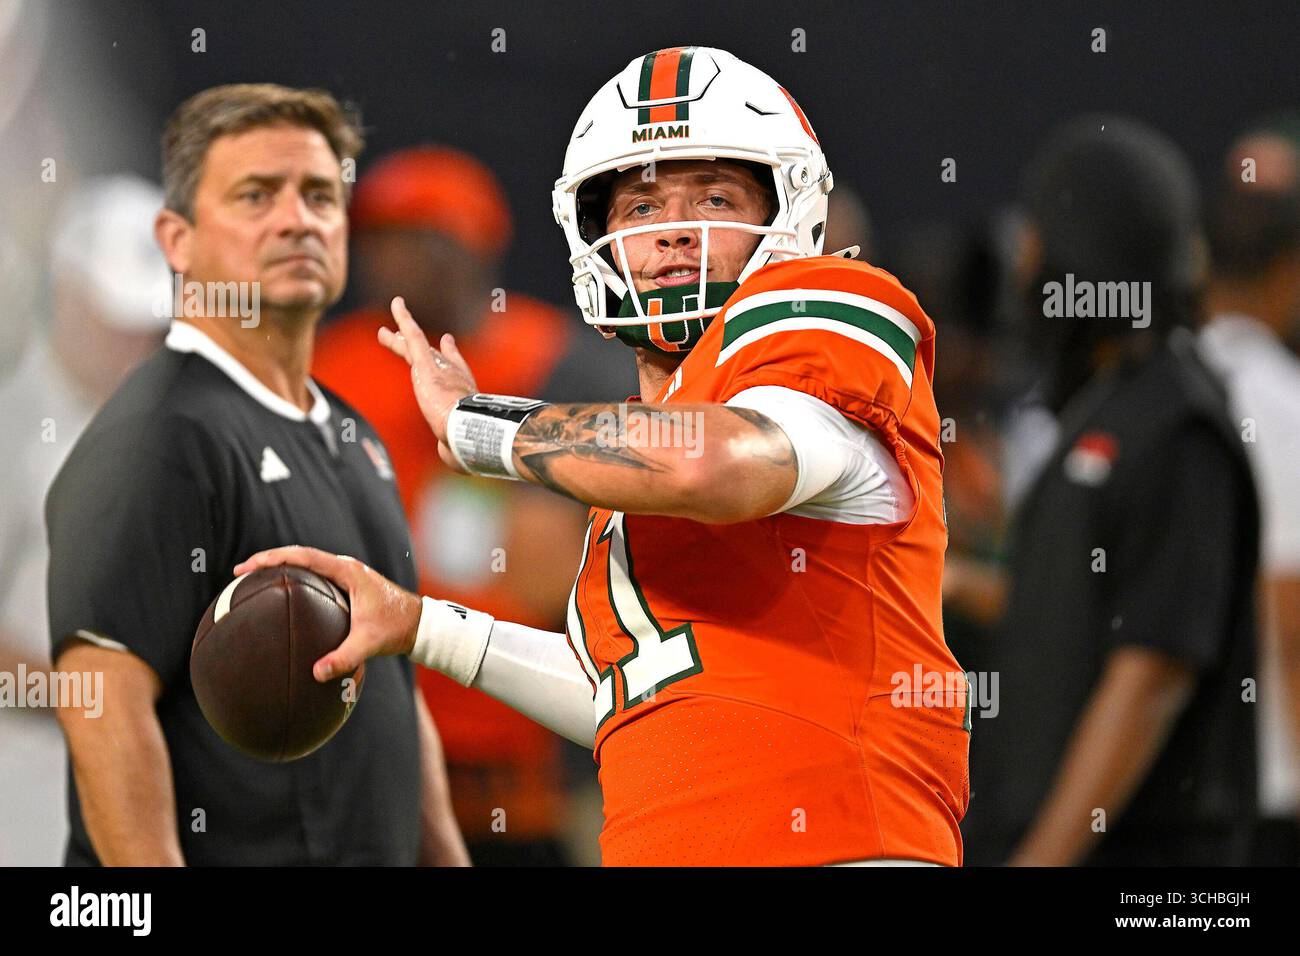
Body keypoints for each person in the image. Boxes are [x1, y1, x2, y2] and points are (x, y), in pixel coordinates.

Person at [239, 47, 968, 866]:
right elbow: (628, 697)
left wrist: (478, 425)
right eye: (642, 207)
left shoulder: (827, 315)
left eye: (716, 198)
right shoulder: (625, 457)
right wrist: (418, 624)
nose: (675, 234)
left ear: (790, 213)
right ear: (600, 239)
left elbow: (716, 464)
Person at [45, 84, 466, 866]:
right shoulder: (157, 437)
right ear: (177, 239)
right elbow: (103, 704)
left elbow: (395, 698)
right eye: (255, 195)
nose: (296, 219)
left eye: (318, 195)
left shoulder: (354, 432)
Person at [963, 116, 1260, 866]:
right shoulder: (1105, 403)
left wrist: (1043, 859)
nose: (1024, 261)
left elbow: (1152, 673)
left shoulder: (1178, 424)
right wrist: (956, 582)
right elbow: (1075, 611)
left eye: (1038, 236)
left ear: (1083, 253)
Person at [313, 146, 612, 864]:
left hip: (530, 734)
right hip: (378, 720)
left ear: (473, 244)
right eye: (381, 241)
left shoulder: (560, 361)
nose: (395, 263)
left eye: (419, 240)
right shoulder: (328, 365)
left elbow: (578, 558)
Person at [0, 174, 172, 865]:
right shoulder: (11, 430)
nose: (136, 347)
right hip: (23, 808)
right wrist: (89, 698)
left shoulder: (164, 424)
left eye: (150, 327)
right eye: (118, 321)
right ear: (67, 295)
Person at [1200, 118, 1300, 865]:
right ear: (1291, 271)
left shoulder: (1153, 394)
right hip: (1267, 783)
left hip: (1173, 780)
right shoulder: (1280, 400)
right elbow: (1288, 609)